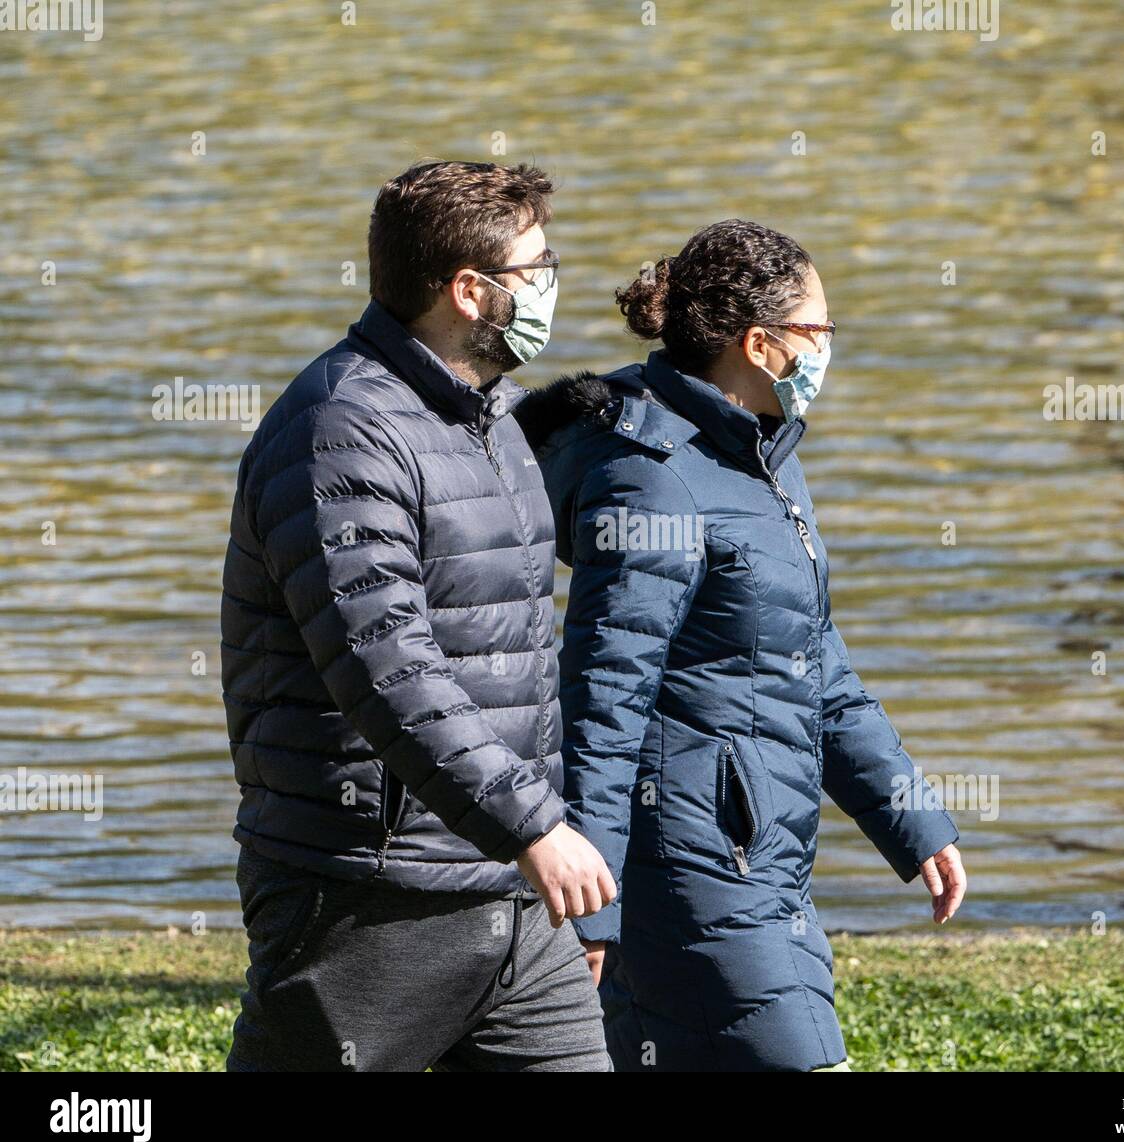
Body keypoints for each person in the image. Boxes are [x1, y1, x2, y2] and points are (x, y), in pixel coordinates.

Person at [516, 219, 967, 1072]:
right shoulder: (652, 478)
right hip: (684, 864)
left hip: (763, 851)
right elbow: (603, 703)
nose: (831, 346)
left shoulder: (759, 456)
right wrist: (593, 910)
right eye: (820, 329)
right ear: (760, 345)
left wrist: (911, 815)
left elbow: (814, 657)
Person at [221, 160, 614, 1072]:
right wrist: (535, 827)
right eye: (539, 267)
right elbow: (388, 669)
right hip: (370, 890)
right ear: (473, 293)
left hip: (513, 897)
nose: (555, 283)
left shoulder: (484, 413)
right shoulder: (339, 433)